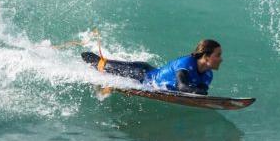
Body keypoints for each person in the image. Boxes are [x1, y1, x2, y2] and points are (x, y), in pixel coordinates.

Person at [82, 38, 222, 95]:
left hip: (151, 73)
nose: (221, 59)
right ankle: (83, 64)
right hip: (142, 74)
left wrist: (201, 92)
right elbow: (182, 87)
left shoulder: (208, 74)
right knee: (99, 63)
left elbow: (203, 90)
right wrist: (199, 92)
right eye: (218, 55)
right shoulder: (186, 63)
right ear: (206, 56)